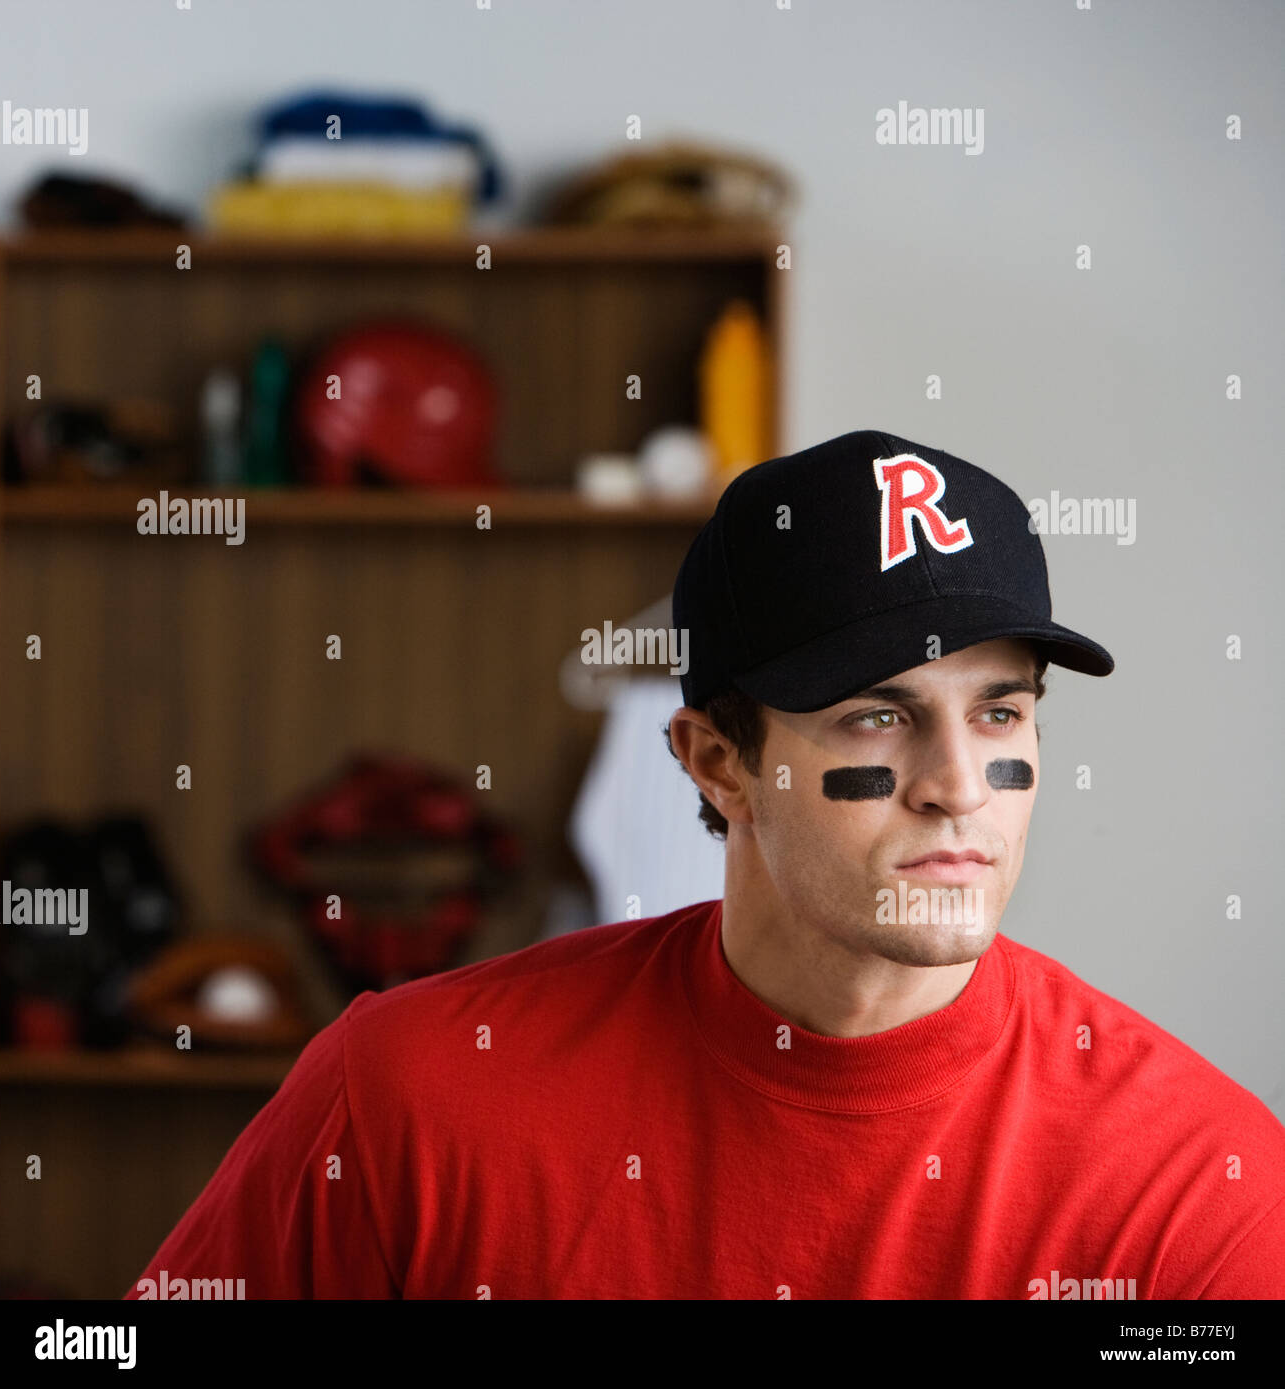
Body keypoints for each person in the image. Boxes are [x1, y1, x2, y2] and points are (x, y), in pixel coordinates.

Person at [126, 429, 1285, 1299]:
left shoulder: (1198, 1185)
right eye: (877, 717)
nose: (957, 785)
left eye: (998, 715)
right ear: (717, 763)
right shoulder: (405, 1095)